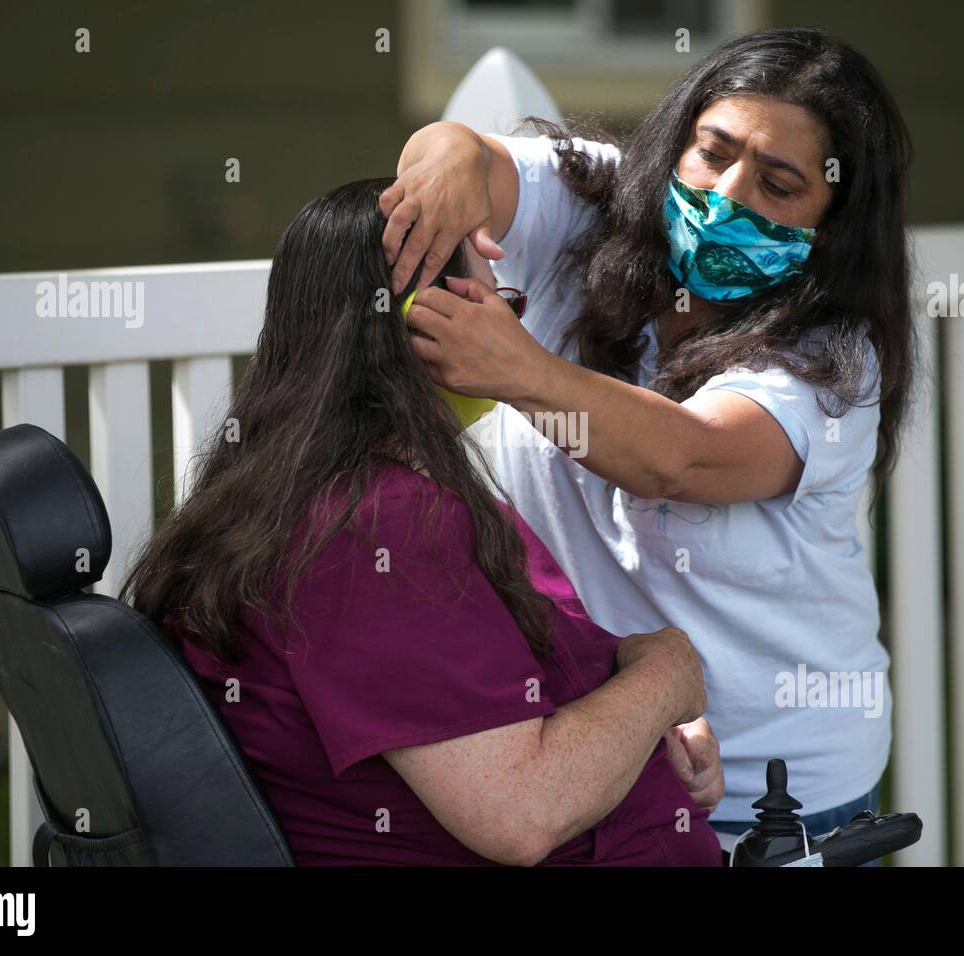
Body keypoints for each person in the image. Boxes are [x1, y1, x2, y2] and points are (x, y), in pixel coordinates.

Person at [381, 28, 915, 854]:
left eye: (778, 184)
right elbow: (471, 159)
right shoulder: (598, 203)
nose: (729, 194)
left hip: (775, 801)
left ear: (835, 227)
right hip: (599, 767)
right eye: (713, 151)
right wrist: (448, 155)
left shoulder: (836, 356)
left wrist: (515, 366)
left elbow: (683, 457)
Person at [121, 179, 725, 866]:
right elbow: (519, 814)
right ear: (429, 324)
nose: (514, 332)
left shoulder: (314, 495)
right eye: (503, 306)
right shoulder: (378, 528)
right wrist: (667, 672)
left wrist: (633, 714)